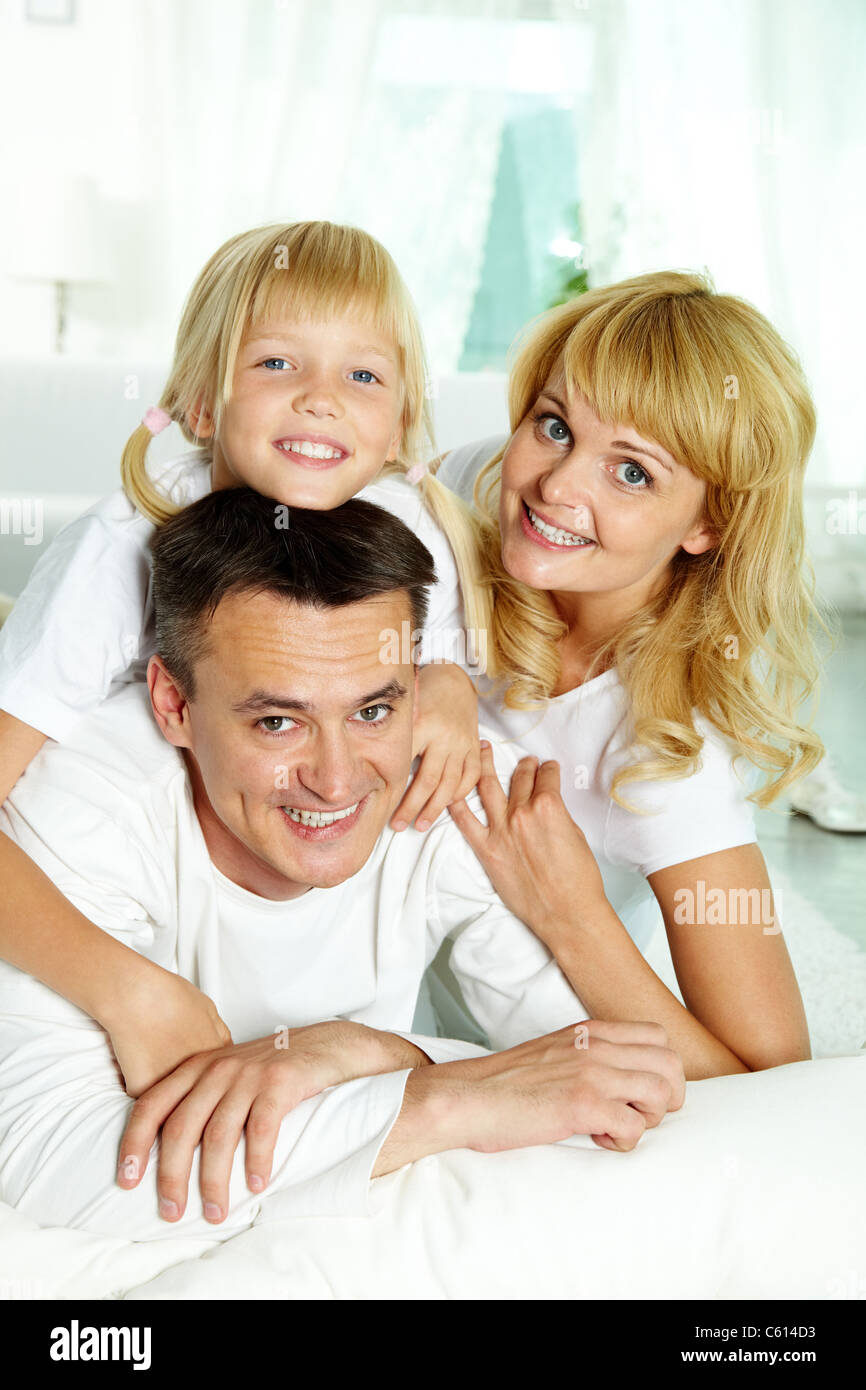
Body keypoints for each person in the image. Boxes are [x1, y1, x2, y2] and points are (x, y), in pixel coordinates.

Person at [0, 489, 684, 1238]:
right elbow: (57, 1167)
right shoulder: (81, 795)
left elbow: (615, 1080)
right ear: (173, 704)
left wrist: (359, 1053)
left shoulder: (445, 788)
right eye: (277, 721)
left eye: (372, 711)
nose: (335, 780)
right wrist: (441, 1098)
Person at [0, 220, 487, 1098]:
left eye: (363, 374)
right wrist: (124, 988)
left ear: (400, 422)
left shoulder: (409, 528)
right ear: (197, 403)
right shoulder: (116, 555)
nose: (321, 399)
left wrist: (447, 685)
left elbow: (436, 660)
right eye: (276, 364)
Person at [438, 270, 822, 1080]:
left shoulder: (666, 761)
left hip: (513, 1057)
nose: (558, 485)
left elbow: (775, 1080)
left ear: (707, 523)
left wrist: (571, 914)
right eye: (553, 426)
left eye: (634, 472)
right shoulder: (476, 489)